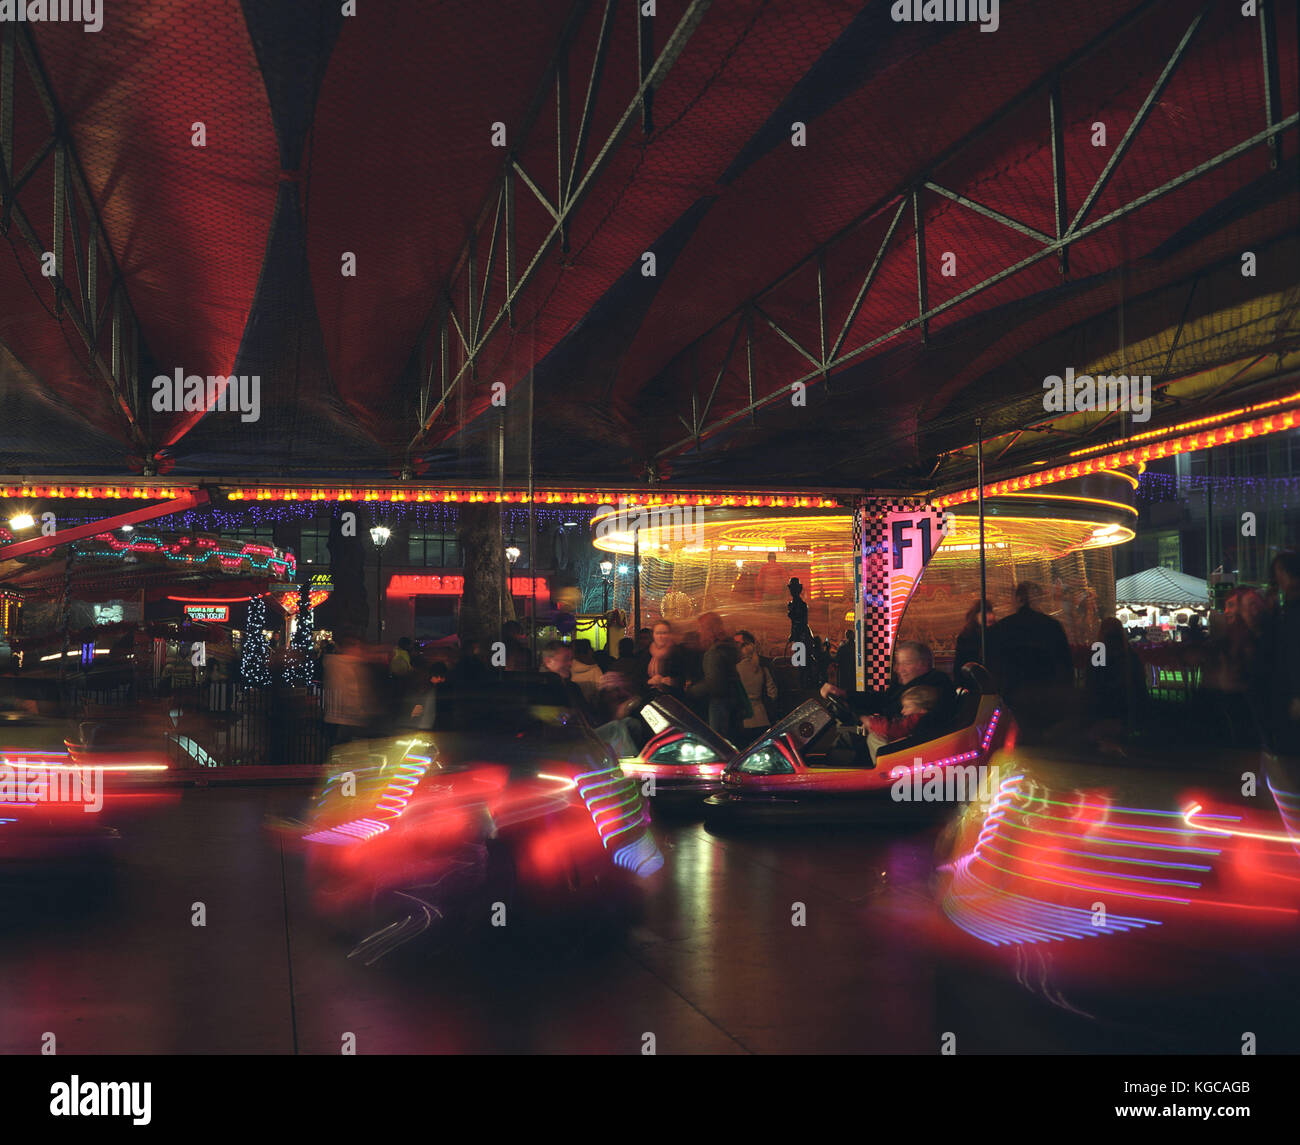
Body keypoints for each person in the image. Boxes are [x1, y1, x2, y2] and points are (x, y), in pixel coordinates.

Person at [821, 640, 956, 765]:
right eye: (898, 663)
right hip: (894, 738)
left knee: (845, 752)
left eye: (906, 663)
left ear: (924, 664)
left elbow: (912, 721)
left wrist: (869, 720)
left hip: (907, 749)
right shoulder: (906, 683)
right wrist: (845, 695)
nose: (898, 669)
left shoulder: (935, 683)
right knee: (844, 740)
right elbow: (881, 700)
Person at [986, 582, 1075, 739]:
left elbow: (993, 665)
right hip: (1046, 695)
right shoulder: (1051, 626)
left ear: (1018, 599)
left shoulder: (1002, 628)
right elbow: (1065, 664)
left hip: (1013, 696)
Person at [540, 640, 644, 759]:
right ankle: (630, 771)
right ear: (548, 661)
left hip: (583, 734)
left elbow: (590, 717)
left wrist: (615, 709)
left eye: (571, 659)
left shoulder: (571, 687)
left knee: (631, 723)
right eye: (566, 659)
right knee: (617, 728)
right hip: (565, 742)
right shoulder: (544, 687)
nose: (570, 664)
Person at [686, 611, 744, 738]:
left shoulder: (713, 653)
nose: (699, 632)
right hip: (734, 704)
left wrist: (691, 690)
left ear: (710, 630)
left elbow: (714, 685)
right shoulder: (729, 648)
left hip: (719, 707)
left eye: (701, 628)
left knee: (719, 743)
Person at [736, 630, 777, 746]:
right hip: (763, 717)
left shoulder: (735, 669)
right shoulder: (763, 668)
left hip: (743, 719)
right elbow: (773, 693)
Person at [640, 620, 685, 699]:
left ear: (670, 634)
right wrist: (649, 681)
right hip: (650, 697)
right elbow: (639, 677)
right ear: (653, 635)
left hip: (673, 698)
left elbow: (685, 677)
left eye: (664, 633)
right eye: (658, 633)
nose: (660, 636)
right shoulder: (646, 653)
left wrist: (671, 681)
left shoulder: (677, 652)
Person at [954, 597, 995, 671]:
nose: (990, 616)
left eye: (990, 612)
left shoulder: (996, 633)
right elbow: (959, 663)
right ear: (976, 616)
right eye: (985, 612)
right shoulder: (966, 636)